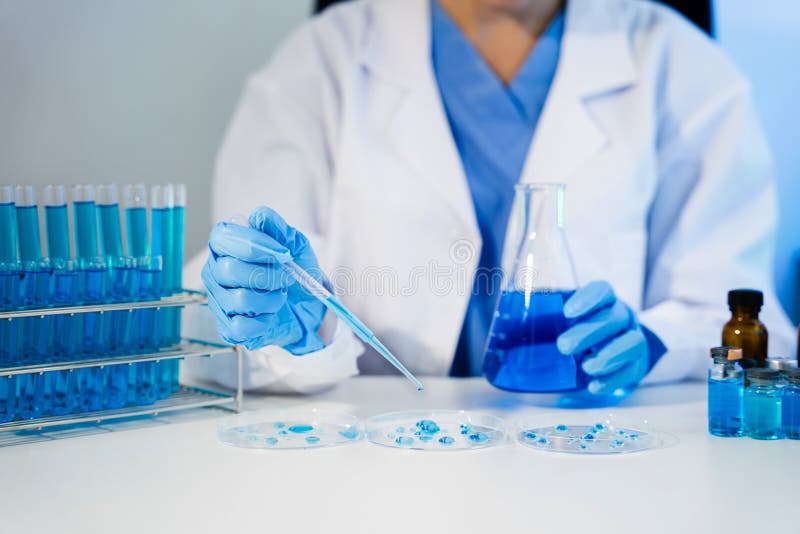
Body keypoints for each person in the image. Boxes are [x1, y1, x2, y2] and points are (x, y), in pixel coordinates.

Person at [181, 0, 795, 394]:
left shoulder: (684, 66)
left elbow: (738, 311)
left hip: (597, 456)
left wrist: (656, 342)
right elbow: (232, 289)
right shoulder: (323, 60)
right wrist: (285, 325)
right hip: (372, 455)